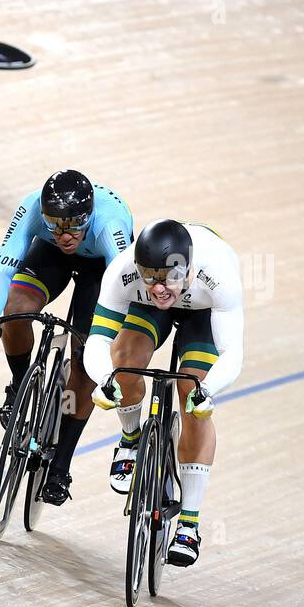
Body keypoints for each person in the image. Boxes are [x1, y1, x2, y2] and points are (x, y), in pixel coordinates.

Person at [83, 219, 245, 568]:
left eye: (169, 277)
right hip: (148, 314)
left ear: (187, 268)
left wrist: (208, 390)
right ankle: (130, 438)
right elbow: (97, 340)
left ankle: (189, 521)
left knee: (192, 393)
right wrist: (105, 379)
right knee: (125, 362)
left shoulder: (218, 273)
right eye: (150, 277)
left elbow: (233, 353)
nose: (159, 289)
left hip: (203, 314)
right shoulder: (123, 271)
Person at [0, 171, 134, 505]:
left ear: (89, 216)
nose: (64, 235)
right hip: (48, 259)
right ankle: (20, 385)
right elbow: (1, 270)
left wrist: (100, 344)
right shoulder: (32, 208)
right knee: (15, 311)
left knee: (85, 359)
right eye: (54, 224)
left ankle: (61, 464)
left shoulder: (110, 225)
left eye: (74, 225)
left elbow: (122, 287)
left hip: (101, 273)